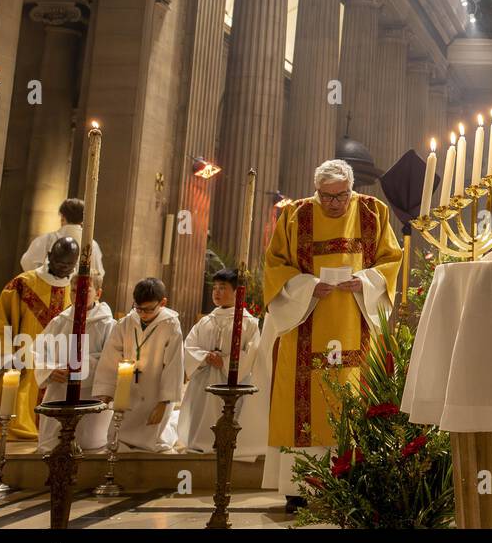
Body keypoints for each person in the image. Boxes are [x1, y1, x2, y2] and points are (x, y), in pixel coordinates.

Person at [238, 159, 402, 510]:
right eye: (326, 198)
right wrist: (307, 287)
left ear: (351, 189)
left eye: (341, 196)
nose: (334, 204)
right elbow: (275, 265)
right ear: (317, 192)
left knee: (352, 403)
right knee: (303, 406)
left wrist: (367, 282)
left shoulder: (374, 212)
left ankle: (353, 486)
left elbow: (391, 260)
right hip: (304, 324)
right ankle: (298, 488)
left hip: (355, 321)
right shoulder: (295, 215)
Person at [0, 237, 78, 439]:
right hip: (24, 365)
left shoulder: (77, 291)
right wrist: (9, 357)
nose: (64, 268)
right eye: (59, 262)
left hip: (60, 369)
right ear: (48, 257)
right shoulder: (22, 284)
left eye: (69, 264)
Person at [94, 278, 184, 451]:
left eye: (149, 309)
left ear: (163, 303)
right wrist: (105, 391)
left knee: (152, 438)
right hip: (128, 389)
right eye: (138, 308)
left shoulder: (171, 325)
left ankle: (170, 423)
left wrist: (163, 403)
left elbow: (174, 366)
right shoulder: (126, 323)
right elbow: (110, 357)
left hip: (155, 391)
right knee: (117, 437)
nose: (142, 314)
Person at [175, 269, 261, 452]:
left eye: (222, 288)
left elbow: (251, 352)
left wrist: (225, 362)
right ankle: (198, 442)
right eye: (214, 288)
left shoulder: (249, 323)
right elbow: (189, 345)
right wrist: (204, 356)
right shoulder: (206, 320)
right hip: (203, 380)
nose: (216, 292)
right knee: (200, 417)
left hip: (229, 380)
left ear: (238, 291)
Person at [35, 274, 115, 453]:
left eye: (85, 291)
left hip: (91, 395)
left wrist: (81, 366)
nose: (77, 295)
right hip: (59, 391)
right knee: (53, 446)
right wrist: (49, 371)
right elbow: (39, 351)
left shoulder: (108, 324)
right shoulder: (59, 322)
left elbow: (111, 359)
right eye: (73, 290)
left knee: (89, 446)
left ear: (98, 293)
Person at [20, 198, 104, 279]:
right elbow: (98, 273)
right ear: (83, 220)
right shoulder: (92, 244)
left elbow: (27, 262)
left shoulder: (47, 239)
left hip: (50, 289)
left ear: (63, 217)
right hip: (78, 291)